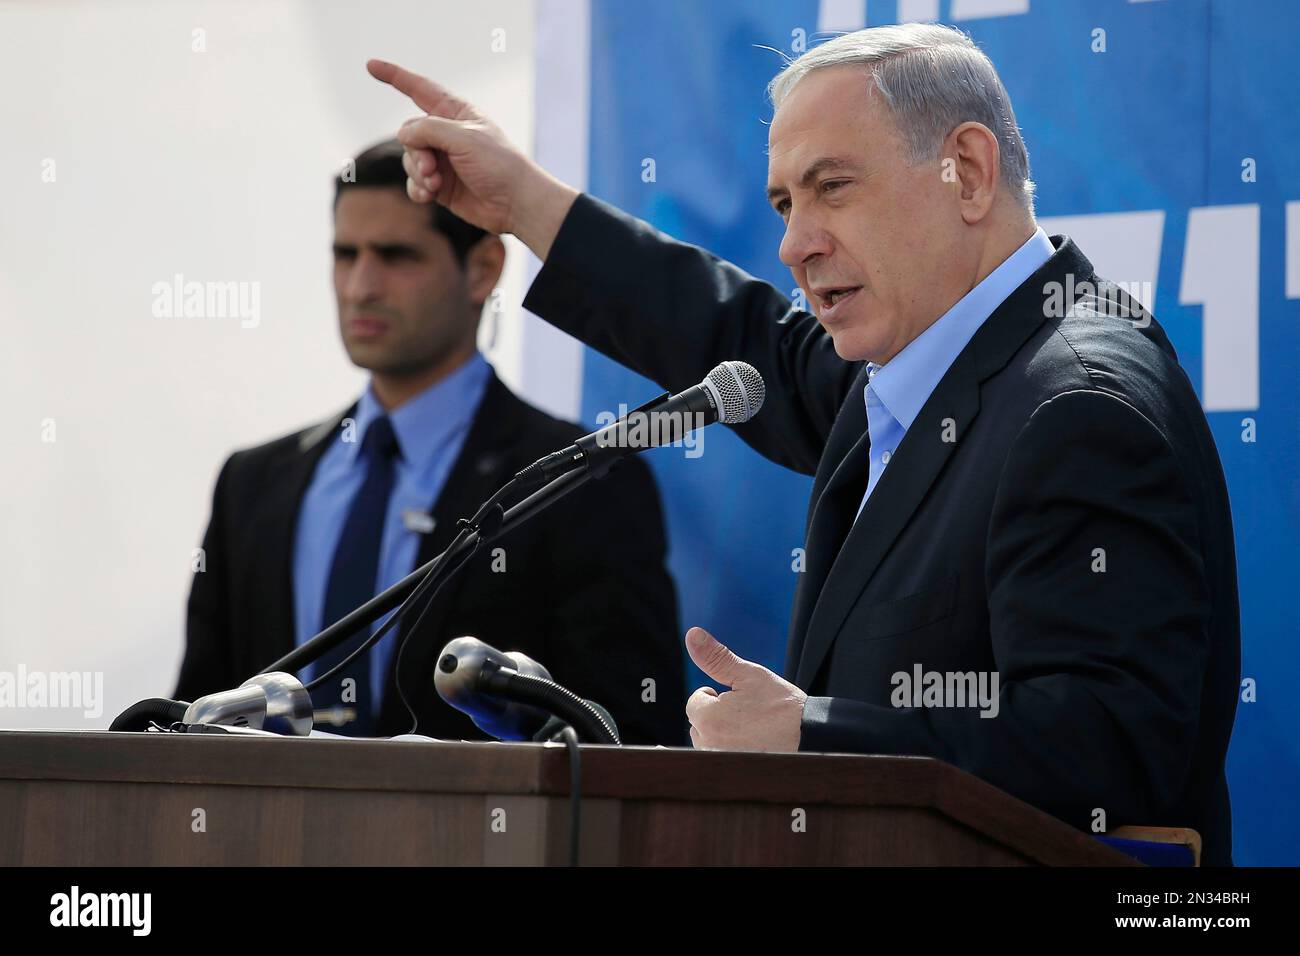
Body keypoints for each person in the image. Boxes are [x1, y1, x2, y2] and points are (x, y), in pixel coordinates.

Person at [366, 22, 1241, 864]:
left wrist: (808, 736)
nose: (794, 243)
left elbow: (1115, 748)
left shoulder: (1076, 404)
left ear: (967, 172)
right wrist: (525, 204)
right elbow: (744, 338)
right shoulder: (929, 360)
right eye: (786, 202)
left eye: (833, 187)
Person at [175, 140, 686, 746]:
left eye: (396, 256)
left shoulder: (581, 480)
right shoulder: (253, 483)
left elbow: (627, 735)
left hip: (488, 838)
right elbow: (190, 726)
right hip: (271, 839)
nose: (361, 285)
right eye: (346, 255)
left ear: (482, 268)